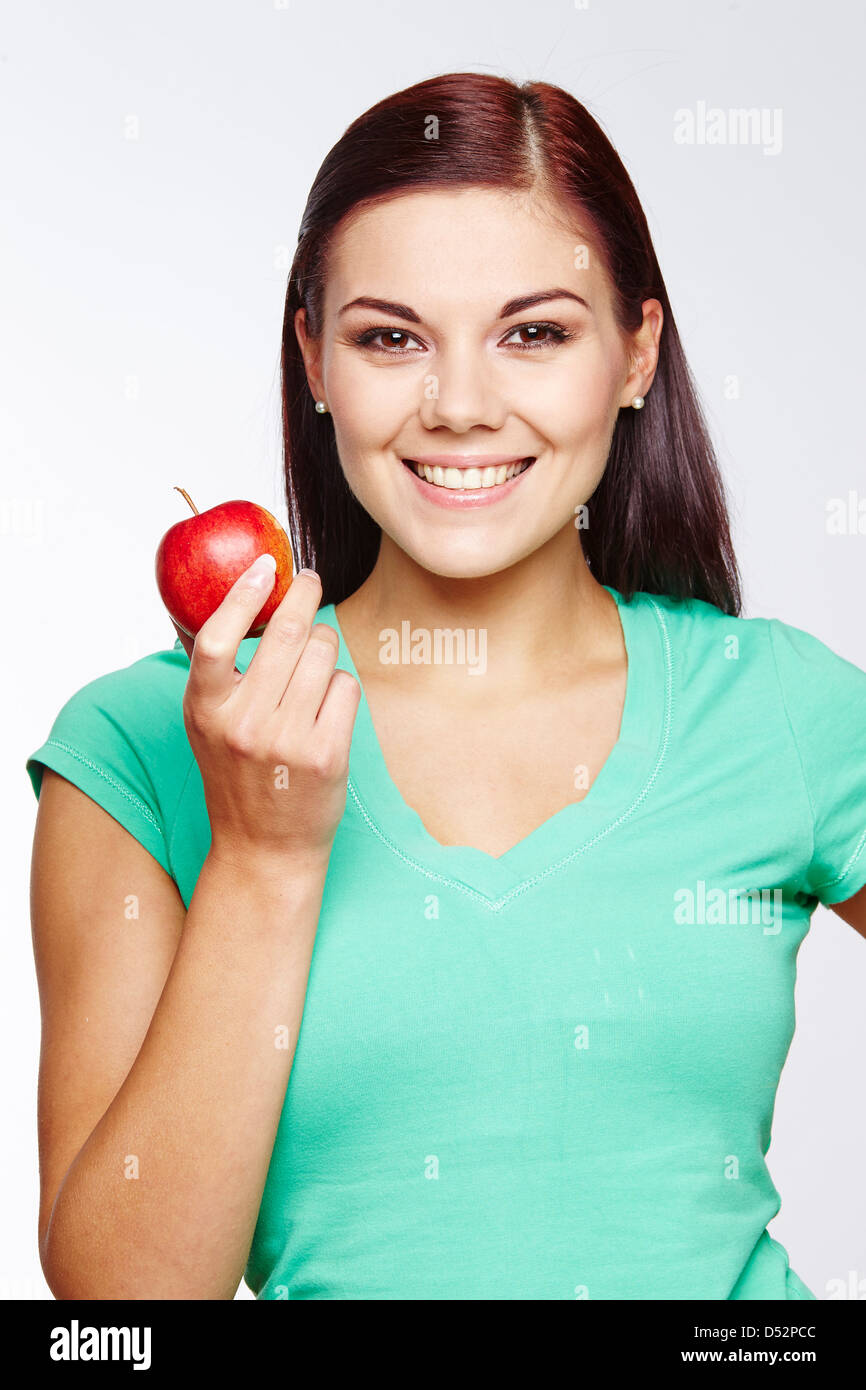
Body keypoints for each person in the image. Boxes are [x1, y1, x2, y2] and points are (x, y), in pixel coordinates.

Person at [26, 71, 866, 1301]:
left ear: (635, 352)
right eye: (389, 337)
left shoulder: (782, 709)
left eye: (534, 332)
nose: (461, 406)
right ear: (313, 359)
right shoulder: (139, 744)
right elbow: (128, 1312)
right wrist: (264, 859)